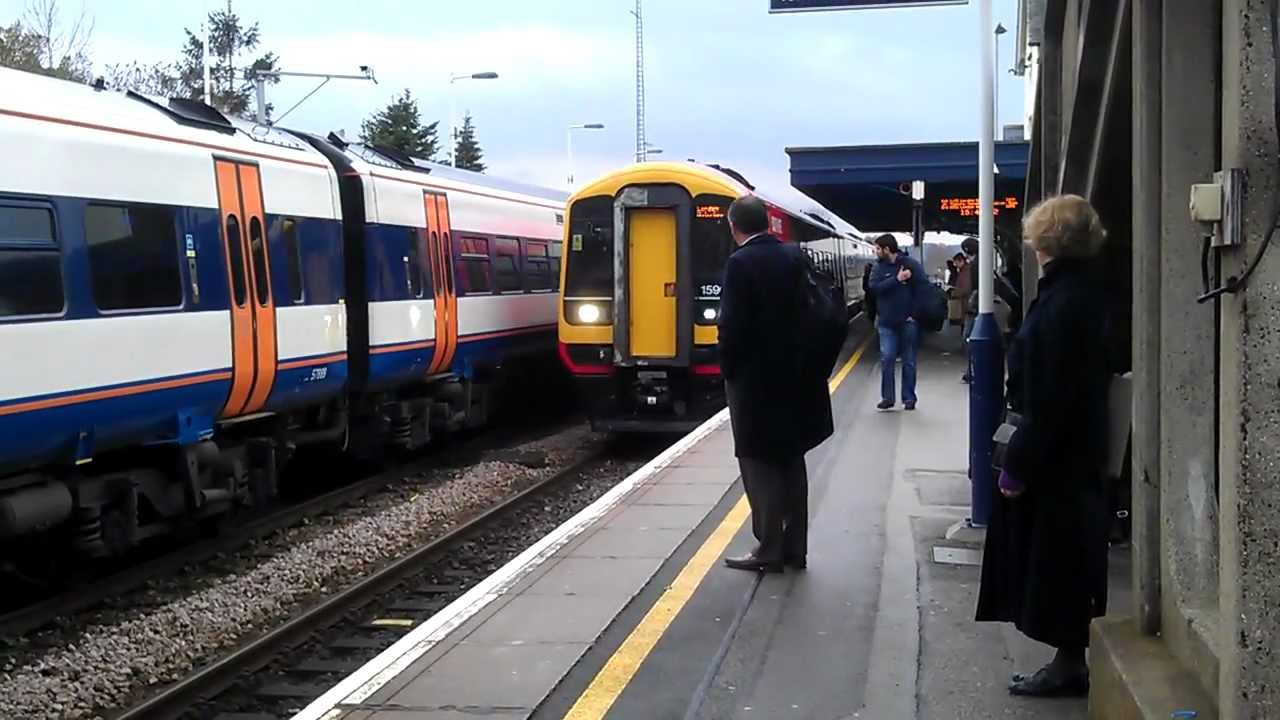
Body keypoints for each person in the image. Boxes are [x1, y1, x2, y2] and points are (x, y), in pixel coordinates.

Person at [975, 194, 1111, 697]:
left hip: (1057, 461)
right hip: (1073, 454)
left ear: (1045, 241)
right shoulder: (1080, 292)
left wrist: (1017, 466)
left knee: (1054, 564)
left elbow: (1049, 396)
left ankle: (1067, 665)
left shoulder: (1060, 303)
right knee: (1062, 560)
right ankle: (1066, 659)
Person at [717, 194, 834, 573]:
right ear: (767, 223)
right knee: (790, 460)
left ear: (734, 226)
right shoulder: (793, 256)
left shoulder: (741, 263)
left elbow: (732, 328)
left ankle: (768, 549)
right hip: (797, 379)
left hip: (756, 385)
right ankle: (794, 549)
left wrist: (729, 370)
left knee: (759, 463)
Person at [867, 234, 928, 411]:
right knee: (887, 358)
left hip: (908, 321)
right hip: (886, 321)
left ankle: (909, 398)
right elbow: (874, 289)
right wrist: (897, 280)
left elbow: (923, 288)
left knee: (909, 360)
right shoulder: (878, 269)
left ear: (887, 249)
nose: (876, 252)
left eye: (878, 248)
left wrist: (915, 314)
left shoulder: (910, 265)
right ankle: (888, 397)